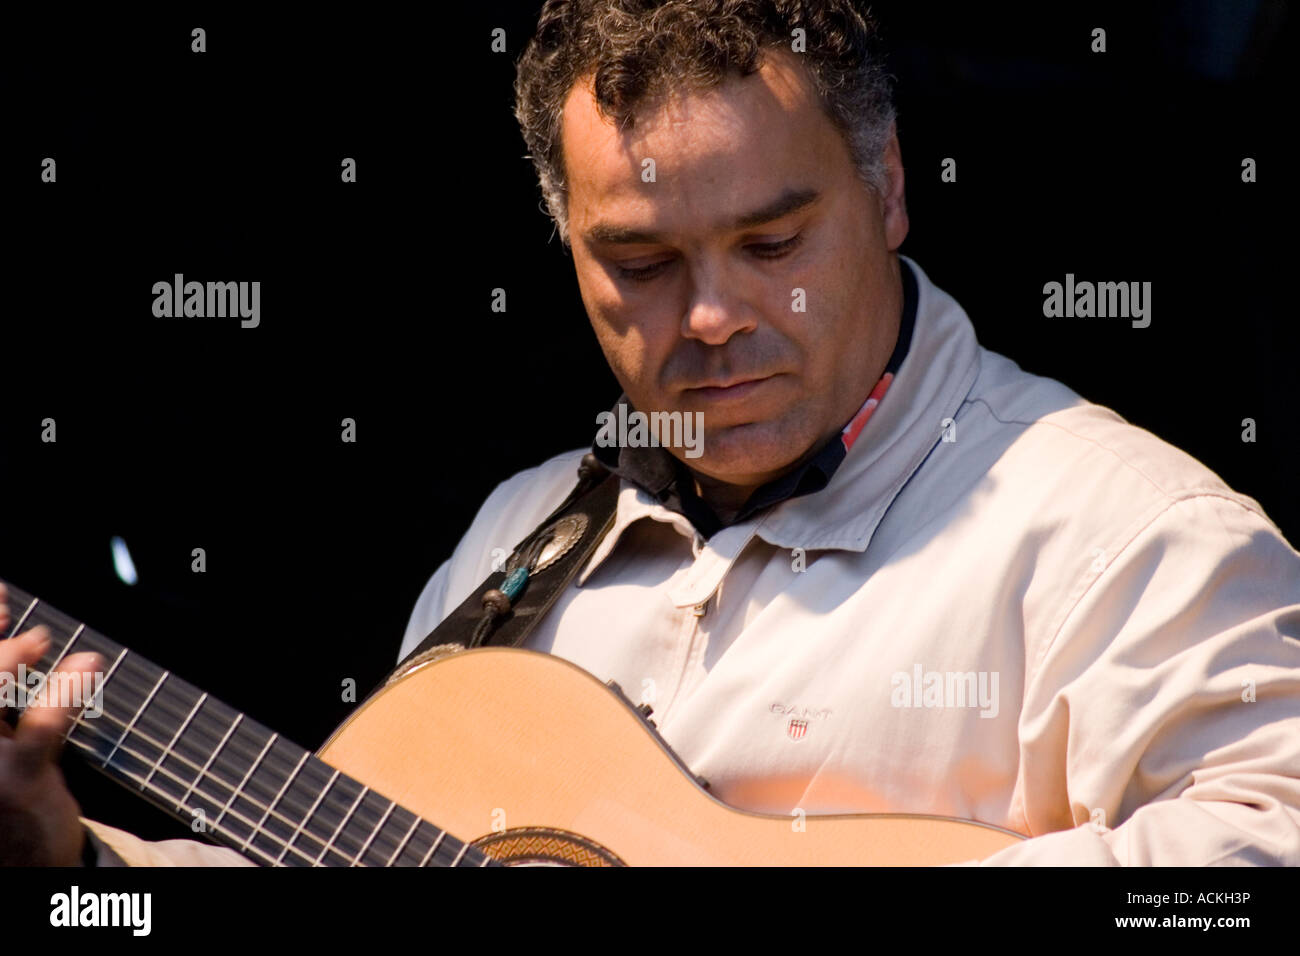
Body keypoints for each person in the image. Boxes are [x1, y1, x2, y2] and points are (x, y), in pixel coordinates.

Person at [4, 0, 1299, 866]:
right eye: (638, 259)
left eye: (773, 243)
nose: (717, 315)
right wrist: (67, 863)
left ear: (892, 188)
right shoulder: (520, 539)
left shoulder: (1129, 538)